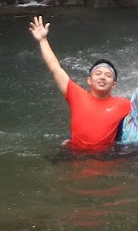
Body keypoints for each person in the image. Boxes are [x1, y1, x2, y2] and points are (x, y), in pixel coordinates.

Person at [27, 14, 129, 151]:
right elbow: (55, 68)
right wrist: (43, 40)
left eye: (108, 75)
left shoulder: (123, 104)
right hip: (75, 154)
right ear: (89, 80)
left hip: (104, 157)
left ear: (114, 84)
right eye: (98, 74)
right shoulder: (76, 95)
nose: (102, 77)